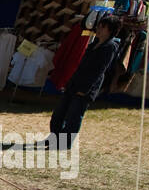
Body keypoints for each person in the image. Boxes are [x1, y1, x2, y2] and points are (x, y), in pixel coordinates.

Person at [49, 16, 121, 151]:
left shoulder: (110, 47)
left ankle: (64, 144)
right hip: (75, 82)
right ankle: (55, 137)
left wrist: (85, 89)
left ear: (110, 30)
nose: (98, 29)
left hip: (87, 87)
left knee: (73, 117)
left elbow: (99, 70)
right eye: (99, 26)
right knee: (59, 113)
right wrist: (70, 82)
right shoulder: (94, 44)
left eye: (102, 27)